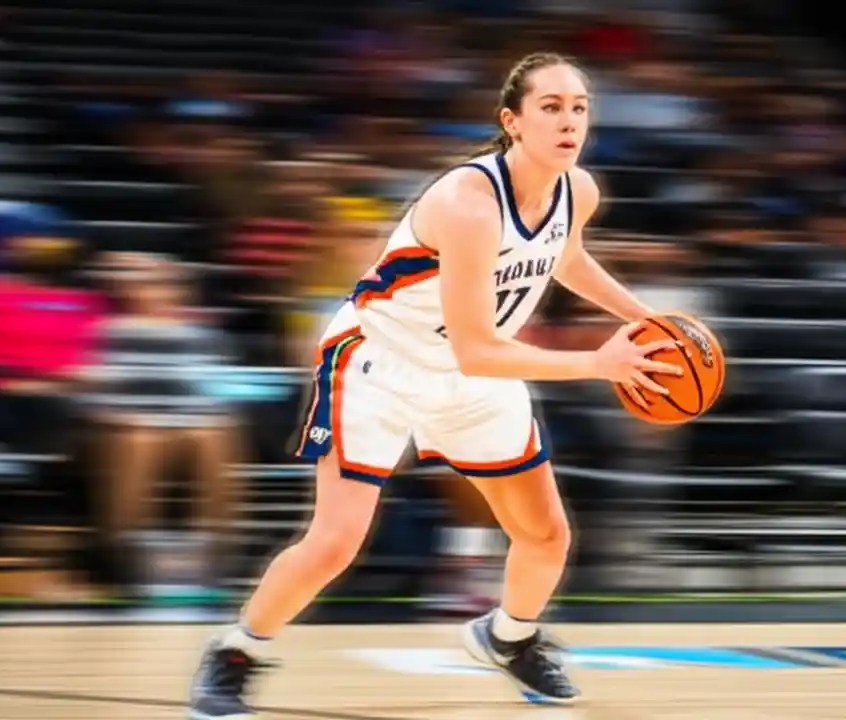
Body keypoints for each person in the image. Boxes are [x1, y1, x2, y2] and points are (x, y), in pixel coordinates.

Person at [187, 52, 683, 718]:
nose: (570, 121)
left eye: (580, 107)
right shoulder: (469, 204)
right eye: (551, 107)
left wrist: (652, 320)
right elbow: (481, 349)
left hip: (471, 370)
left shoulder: (577, 191)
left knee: (546, 536)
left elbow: (564, 256)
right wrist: (599, 362)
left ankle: (509, 638)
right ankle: (235, 651)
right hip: (381, 362)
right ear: (512, 121)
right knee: (334, 542)